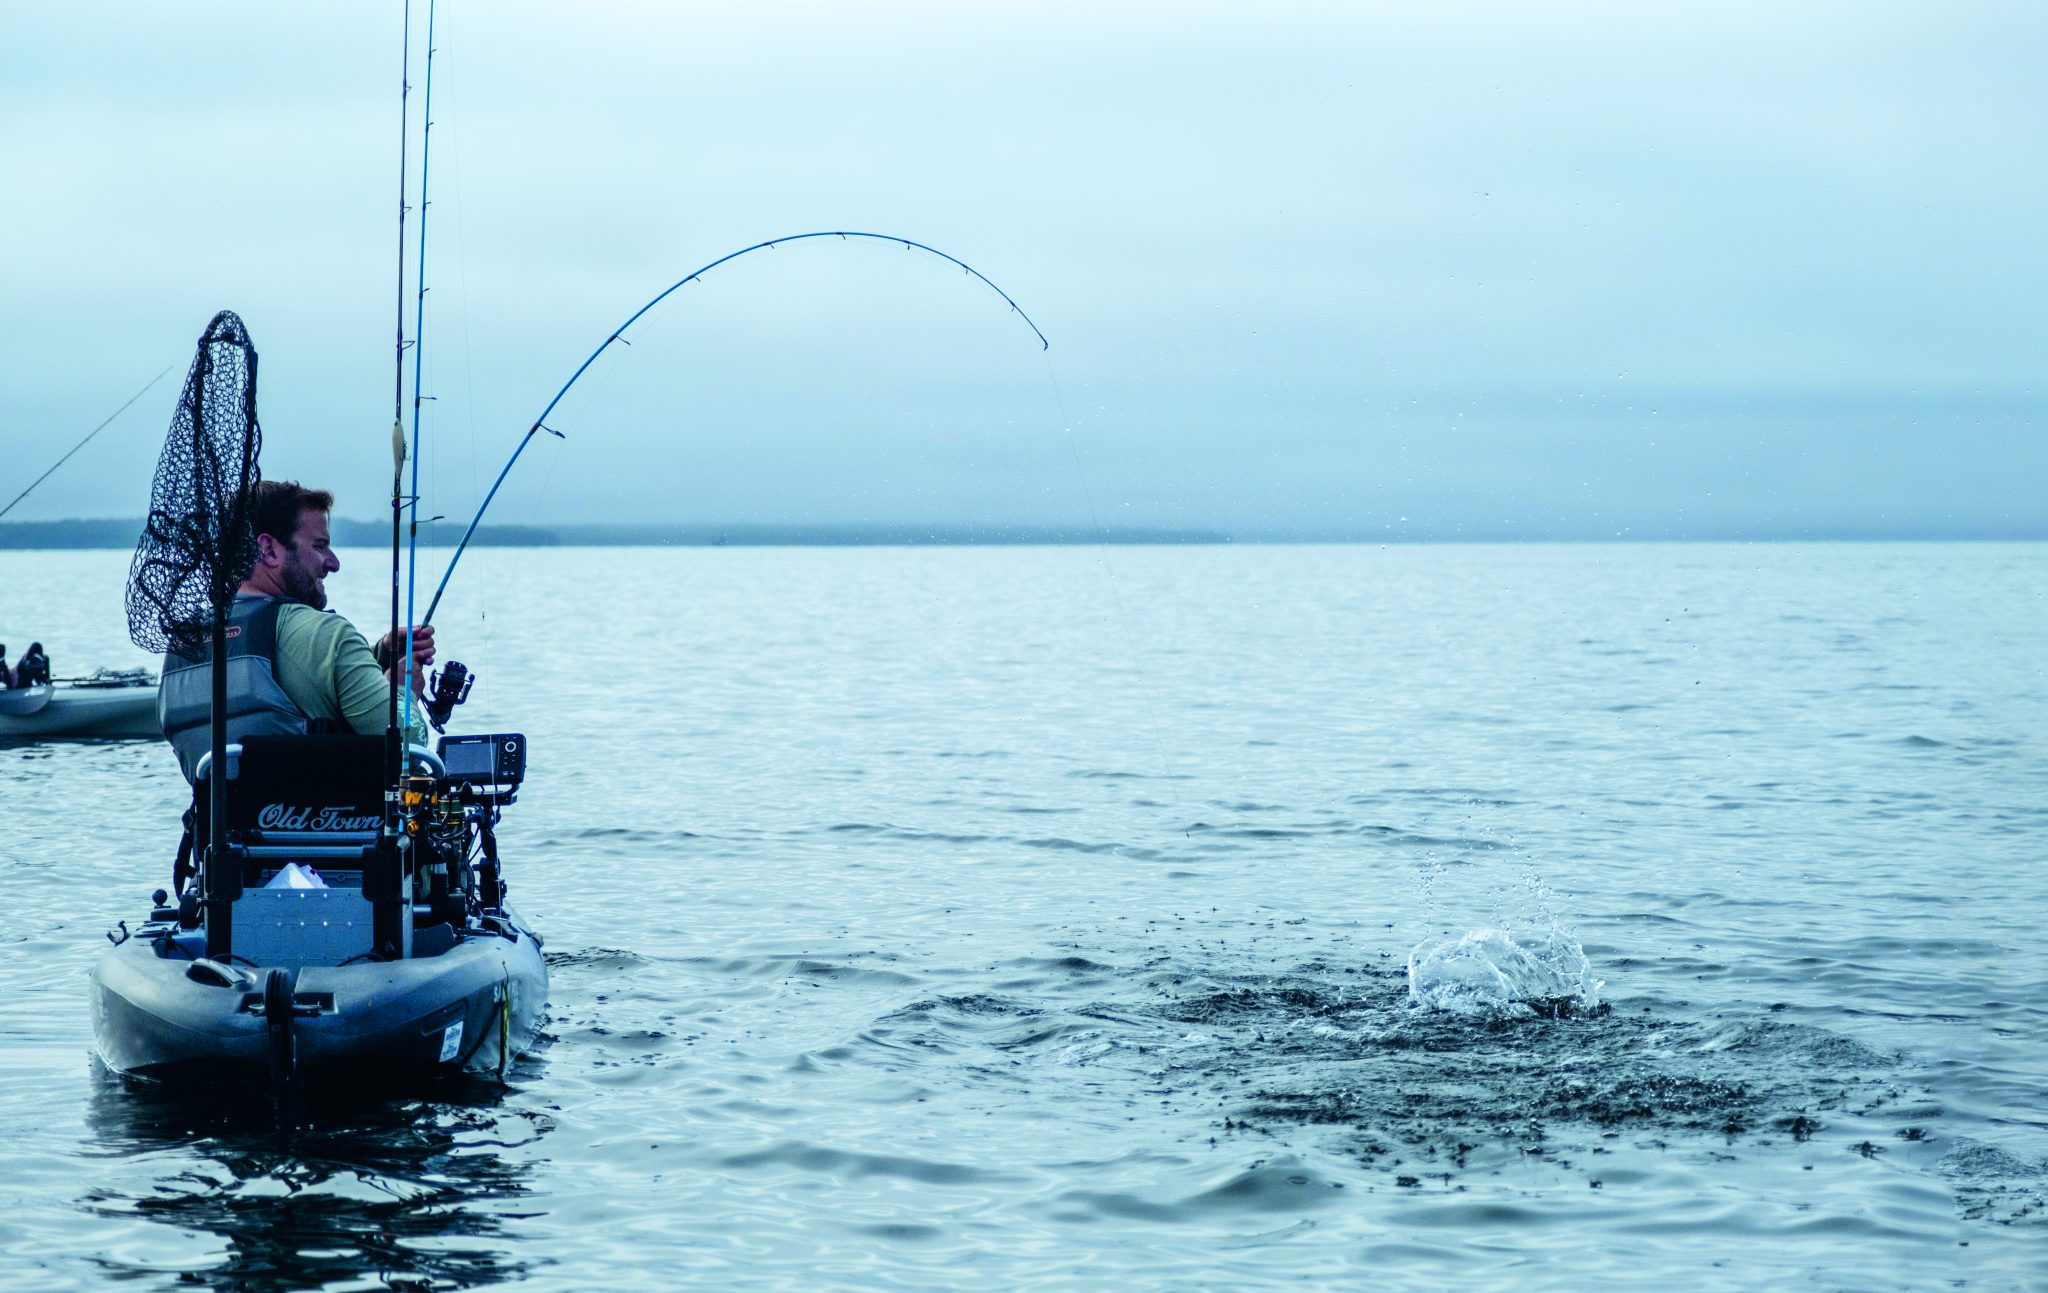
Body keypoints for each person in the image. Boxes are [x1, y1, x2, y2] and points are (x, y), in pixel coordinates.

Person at [158, 478, 439, 782]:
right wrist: (403, 690)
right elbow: (408, 751)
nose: (333, 563)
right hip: (325, 826)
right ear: (268, 549)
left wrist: (379, 655)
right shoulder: (330, 635)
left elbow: (298, 679)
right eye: (319, 546)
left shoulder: (183, 646)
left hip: (218, 828)